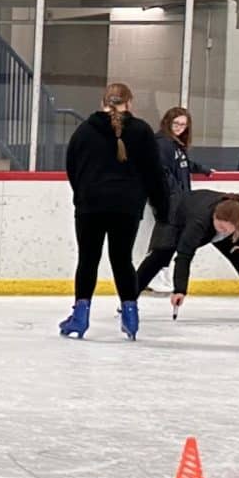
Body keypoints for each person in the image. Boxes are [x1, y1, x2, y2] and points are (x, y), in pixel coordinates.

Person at [60, 82, 169, 340]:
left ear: (103, 103)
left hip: (91, 205)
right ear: (129, 103)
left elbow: (72, 167)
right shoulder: (142, 131)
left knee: (88, 259)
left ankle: (80, 316)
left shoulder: (85, 131)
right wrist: (162, 209)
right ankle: (130, 316)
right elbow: (154, 173)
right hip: (127, 206)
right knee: (122, 260)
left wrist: (82, 195)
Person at [160, 191, 239, 322]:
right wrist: (180, 290)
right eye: (220, 226)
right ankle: (135, 295)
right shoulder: (200, 223)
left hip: (229, 234)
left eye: (225, 229)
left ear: (238, 224)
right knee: (159, 255)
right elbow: (184, 257)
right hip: (199, 228)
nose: (221, 231)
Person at [132, 106, 206, 295]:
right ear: (168, 122)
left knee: (171, 235)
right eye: (176, 123)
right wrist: (173, 194)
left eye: (183, 124)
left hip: (177, 198)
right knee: (165, 235)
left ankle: (161, 274)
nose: (180, 127)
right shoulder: (162, 143)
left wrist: (202, 169)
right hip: (168, 198)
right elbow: (162, 171)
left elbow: (183, 164)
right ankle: (155, 275)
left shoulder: (175, 144)